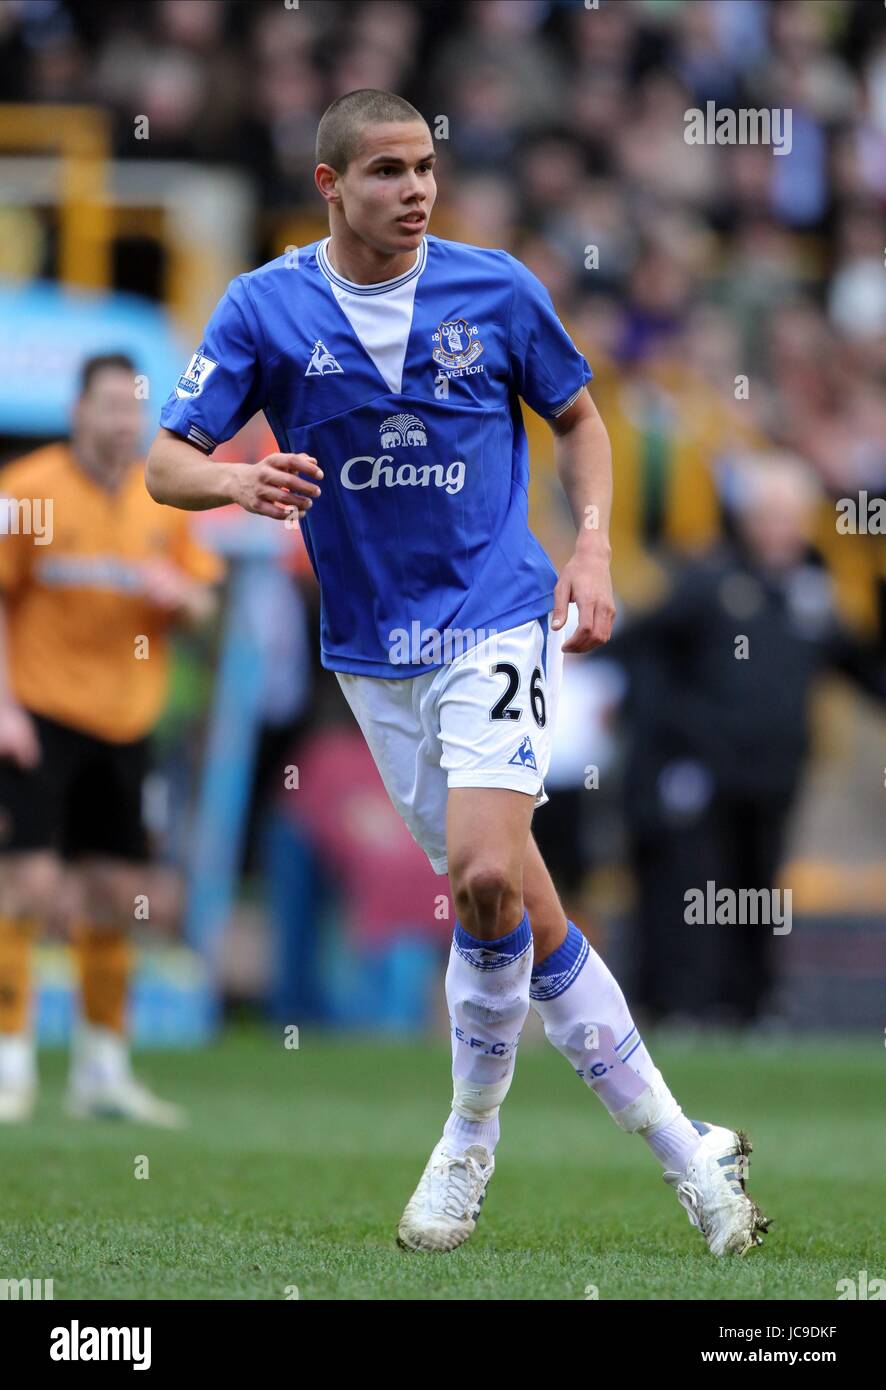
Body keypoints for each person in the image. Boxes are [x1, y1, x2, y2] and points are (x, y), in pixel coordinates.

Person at [146, 89, 768, 1256]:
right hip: (374, 654)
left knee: (484, 874)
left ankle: (466, 1143)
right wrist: (236, 480)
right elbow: (164, 464)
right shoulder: (264, 307)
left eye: (425, 166)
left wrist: (591, 548)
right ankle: (691, 1151)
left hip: (494, 615)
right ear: (330, 185)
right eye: (386, 171)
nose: (415, 190)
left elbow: (581, 422)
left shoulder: (497, 289)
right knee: (519, 905)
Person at [0, 353, 221, 1125]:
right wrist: (4, 707)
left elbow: (205, 604)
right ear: (78, 412)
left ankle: (102, 1069)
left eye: (134, 408)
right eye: (109, 406)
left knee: (117, 895)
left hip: (127, 722)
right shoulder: (26, 491)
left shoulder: (163, 498)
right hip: (38, 716)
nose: (124, 421)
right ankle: (10, 1065)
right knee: (26, 885)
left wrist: (182, 596)